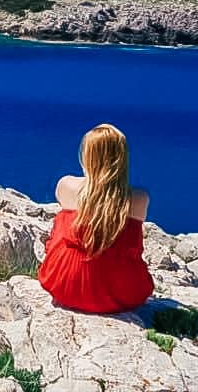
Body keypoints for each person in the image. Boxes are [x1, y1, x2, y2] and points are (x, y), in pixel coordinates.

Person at [38, 123, 153, 313]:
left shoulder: (66, 185)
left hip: (64, 284)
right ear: (122, 158)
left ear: (88, 155)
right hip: (121, 293)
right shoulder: (139, 199)